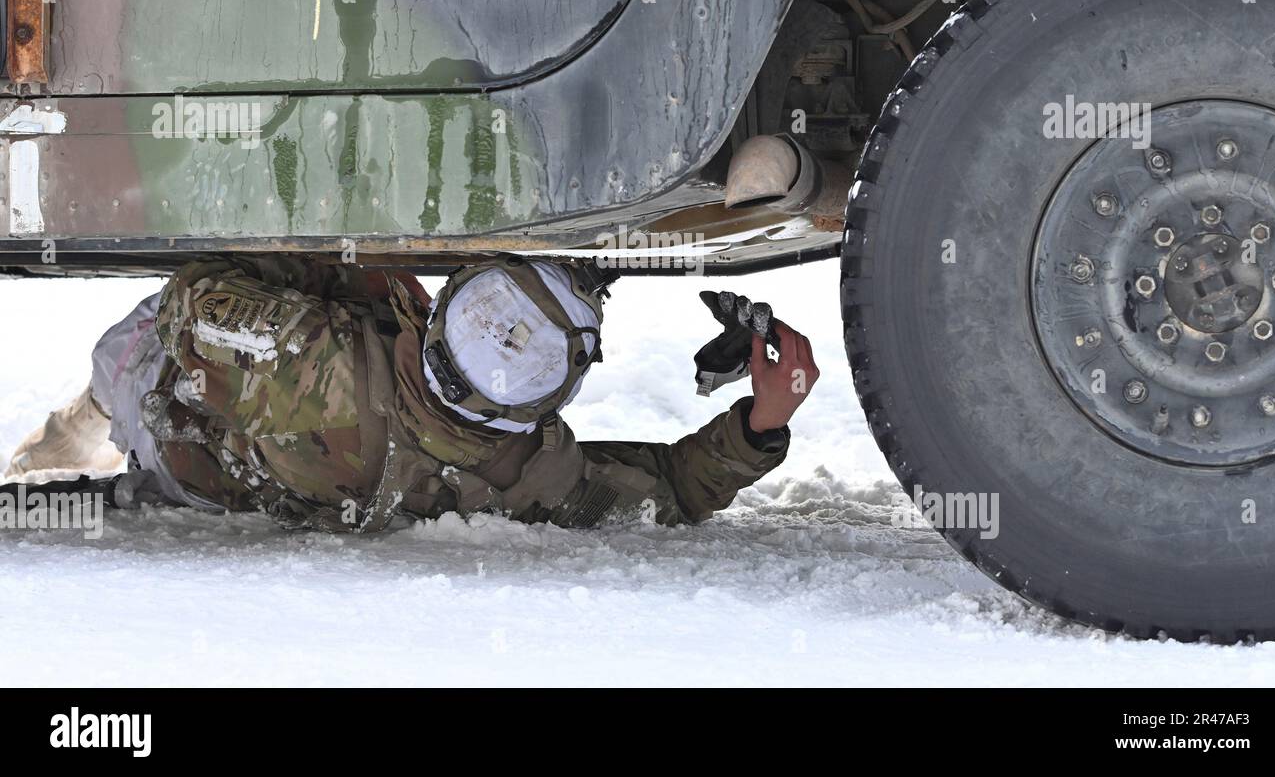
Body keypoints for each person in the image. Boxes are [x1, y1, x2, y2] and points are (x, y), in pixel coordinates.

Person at [5, 254, 819, 531]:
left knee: (129, 354)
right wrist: (761, 421)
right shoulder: (521, 473)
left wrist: (340, 273)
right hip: (230, 492)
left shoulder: (310, 354)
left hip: (177, 422)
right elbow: (667, 494)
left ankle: (79, 427)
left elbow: (193, 296)